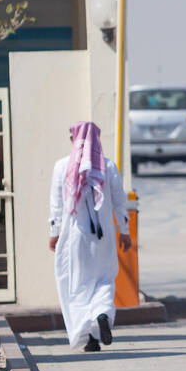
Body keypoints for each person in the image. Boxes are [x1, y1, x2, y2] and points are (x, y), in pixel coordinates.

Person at [48, 122, 131, 352]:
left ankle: (90, 338)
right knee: (104, 280)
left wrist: (53, 233)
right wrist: (124, 232)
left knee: (78, 285)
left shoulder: (61, 166)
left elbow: (56, 205)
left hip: (75, 237)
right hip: (104, 239)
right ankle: (102, 314)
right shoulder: (108, 166)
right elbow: (119, 202)